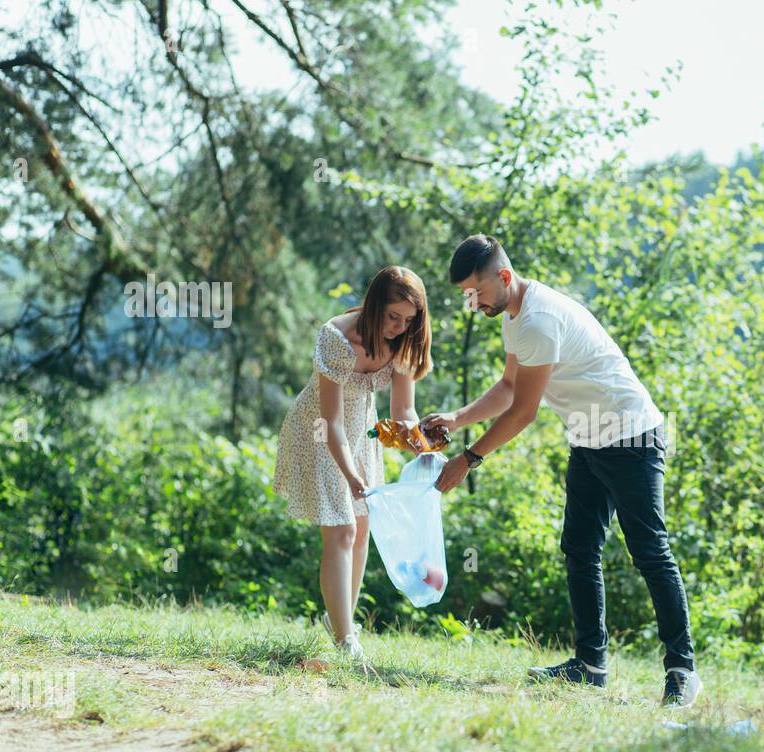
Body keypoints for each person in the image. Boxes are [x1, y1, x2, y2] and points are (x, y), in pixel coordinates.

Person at [424, 235, 701, 707]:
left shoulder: (538, 320)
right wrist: (458, 418)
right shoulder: (515, 315)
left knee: (649, 551)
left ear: (504, 277)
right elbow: (510, 387)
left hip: (631, 435)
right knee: (578, 546)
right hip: (590, 436)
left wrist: (467, 459)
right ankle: (590, 665)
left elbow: (523, 413)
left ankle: (683, 670)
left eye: (476, 293)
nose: (472, 304)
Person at [273, 266, 433, 659]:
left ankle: (340, 621)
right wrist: (351, 474)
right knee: (342, 529)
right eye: (393, 316)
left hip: (361, 433)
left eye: (408, 320)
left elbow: (404, 410)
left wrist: (424, 446)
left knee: (362, 528)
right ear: (375, 304)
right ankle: (347, 641)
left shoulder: (403, 343)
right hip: (321, 432)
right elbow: (330, 421)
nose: (399, 326)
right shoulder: (338, 338)